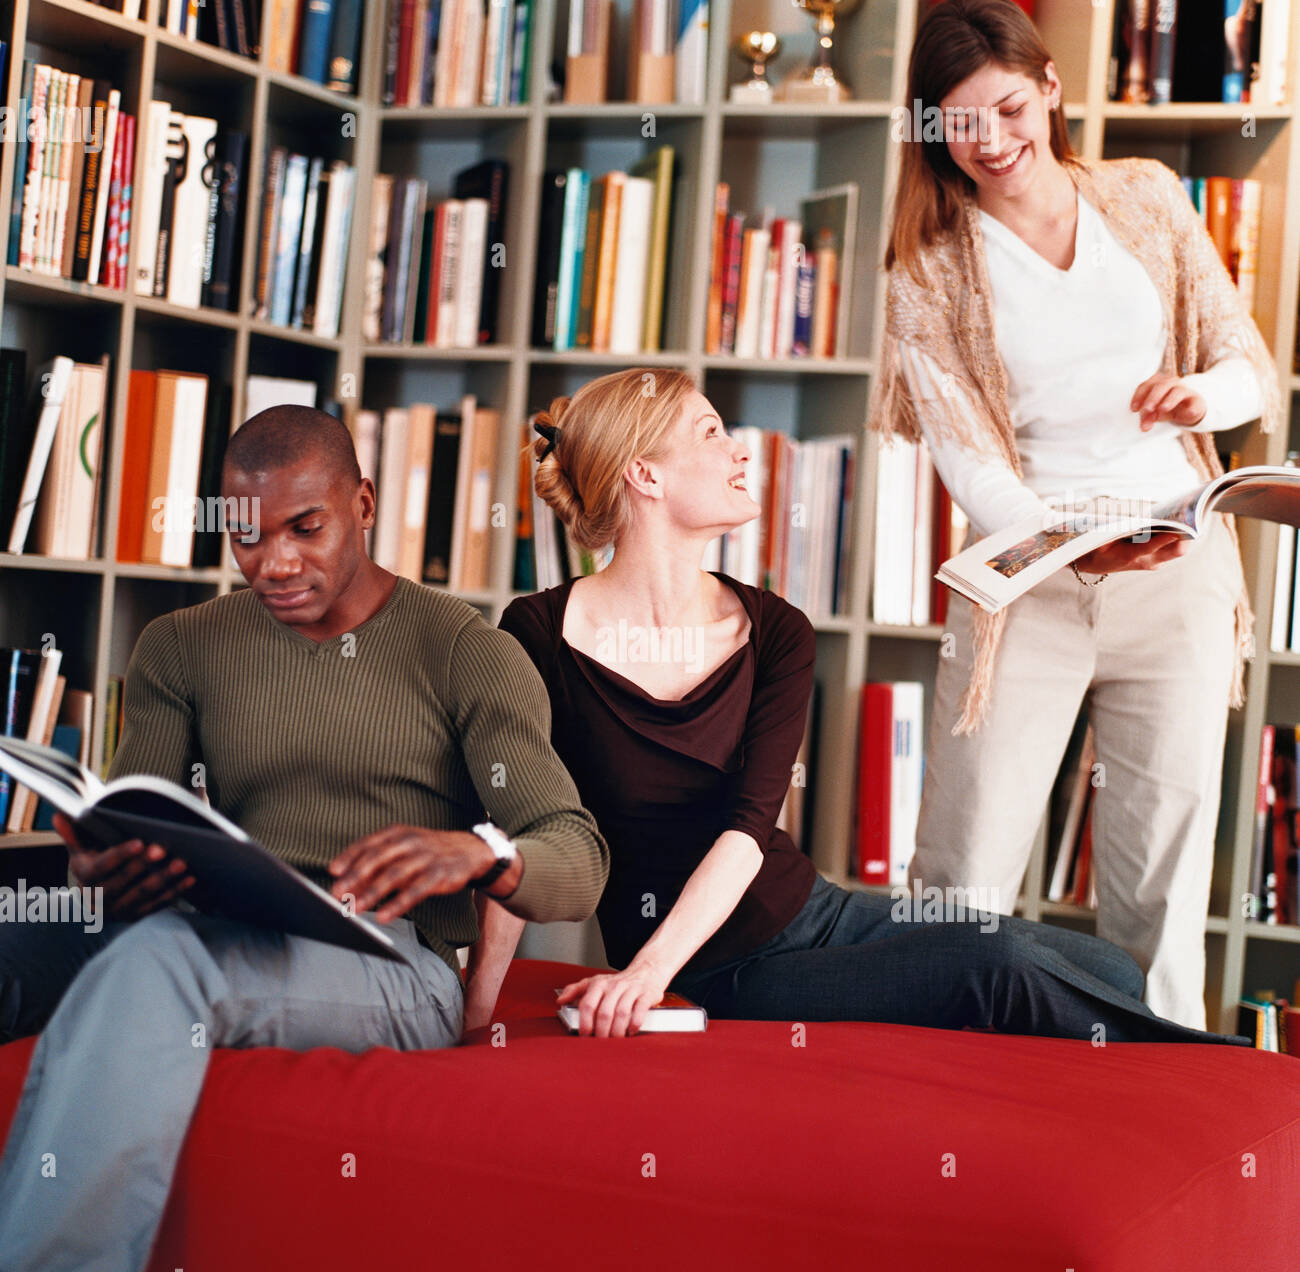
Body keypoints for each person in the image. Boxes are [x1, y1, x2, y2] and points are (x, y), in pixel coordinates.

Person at [0, 404, 608, 1272]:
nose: (274, 563)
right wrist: (101, 867)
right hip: (222, 916)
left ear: (362, 503)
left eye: (305, 528)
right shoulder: (184, 645)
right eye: (246, 536)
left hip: (393, 960)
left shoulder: (464, 652)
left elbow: (576, 855)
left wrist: (480, 855)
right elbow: (139, 817)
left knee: (165, 960)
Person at [463, 365, 1251, 1050]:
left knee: (1105, 967)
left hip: (816, 912)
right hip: (724, 969)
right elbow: (516, 830)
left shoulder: (776, 629)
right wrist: (481, 1014)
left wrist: (642, 974)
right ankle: (1234, 1071)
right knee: (1001, 970)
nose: (741, 450)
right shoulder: (537, 631)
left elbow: (749, 828)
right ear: (646, 475)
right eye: (711, 433)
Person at [868, 0, 1281, 1029]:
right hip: (1028, 588)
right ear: (930, 133)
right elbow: (969, 461)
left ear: (1048, 89)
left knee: (1161, 878)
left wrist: (1201, 398)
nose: (995, 143)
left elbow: (1250, 368)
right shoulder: (923, 267)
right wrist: (1072, 545)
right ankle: (934, 1079)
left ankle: (1164, 1091)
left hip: (1177, 575)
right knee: (963, 868)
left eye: (1010, 108)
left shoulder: (1143, 197)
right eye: (961, 126)